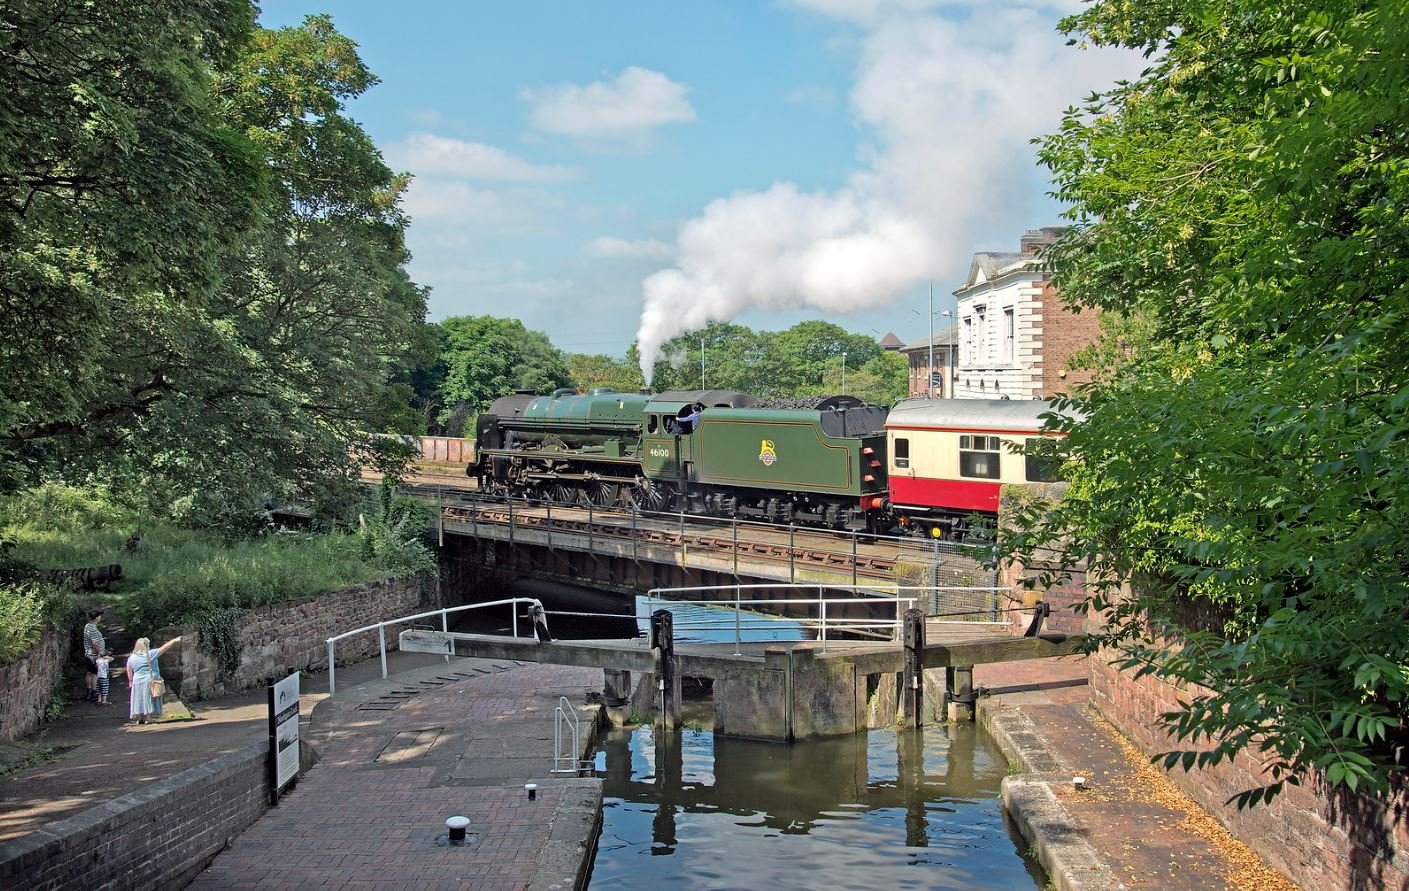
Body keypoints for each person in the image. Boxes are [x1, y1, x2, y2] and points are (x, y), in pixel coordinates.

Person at [126, 636, 180, 725]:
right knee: (148, 699)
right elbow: (164, 648)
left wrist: (130, 681)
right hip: (149, 680)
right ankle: (148, 718)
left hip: (137, 681)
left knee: (138, 699)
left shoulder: (132, 657)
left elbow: (129, 669)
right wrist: (173, 641)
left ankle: (139, 718)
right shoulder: (150, 654)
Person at [81, 610, 105, 702]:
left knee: (89, 673)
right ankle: (94, 692)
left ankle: (88, 691)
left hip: (88, 653)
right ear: (96, 618)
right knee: (94, 674)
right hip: (94, 655)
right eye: (99, 616)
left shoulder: (87, 626)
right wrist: (100, 653)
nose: (100, 617)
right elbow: (95, 643)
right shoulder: (93, 629)